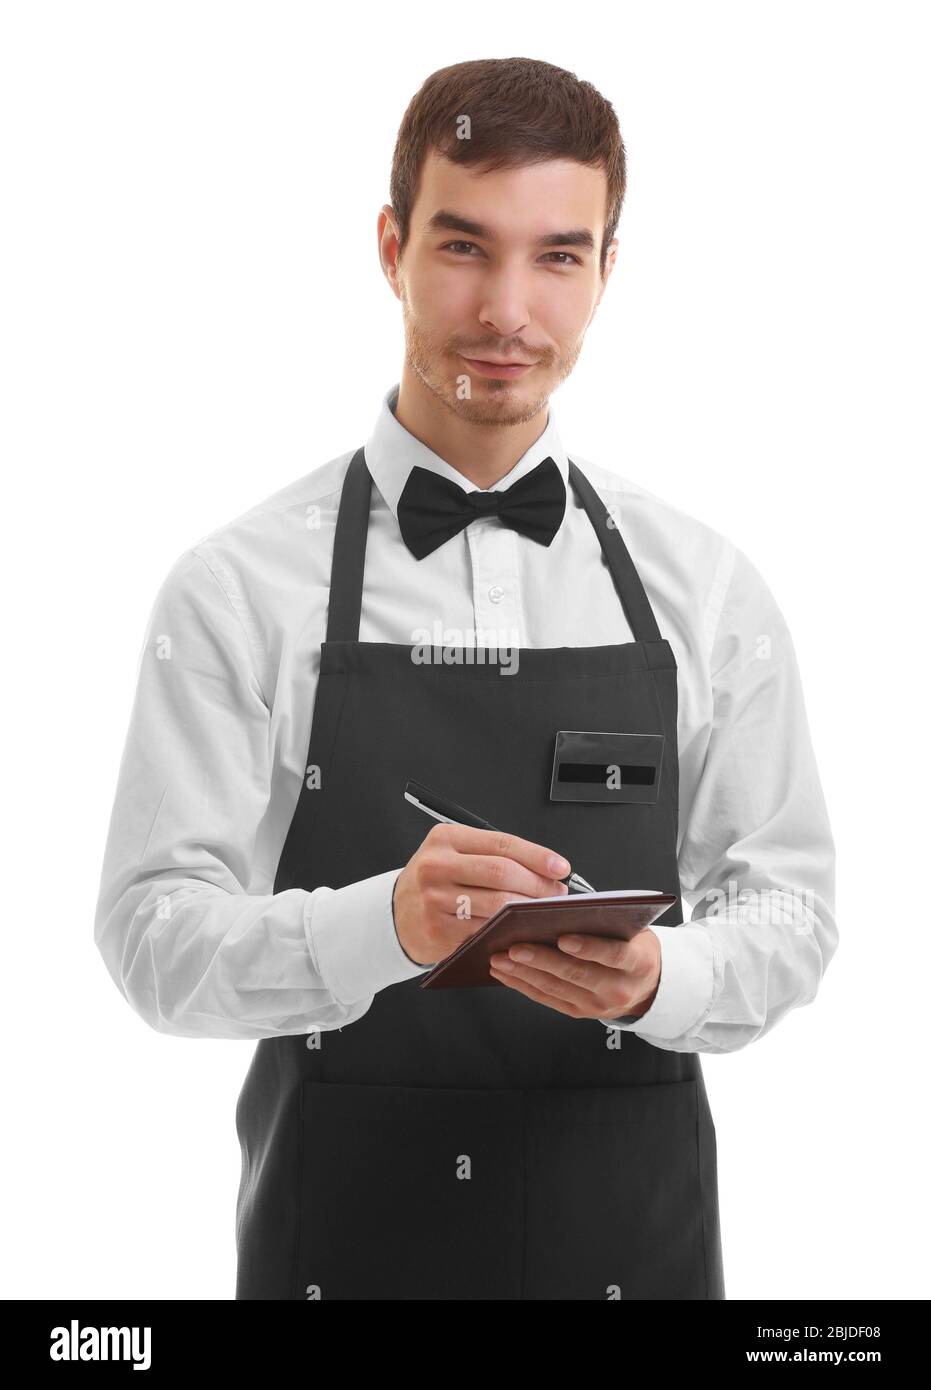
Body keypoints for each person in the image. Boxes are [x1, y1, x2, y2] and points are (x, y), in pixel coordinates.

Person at [94, 56, 837, 1301]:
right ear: (389, 248)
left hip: (634, 1250)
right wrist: (378, 923)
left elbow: (793, 914)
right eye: (462, 247)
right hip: (335, 1247)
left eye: (557, 255)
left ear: (607, 271)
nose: (507, 310)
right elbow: (150, 935)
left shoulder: (706, 590)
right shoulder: (235, 589)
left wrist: (668, 975)